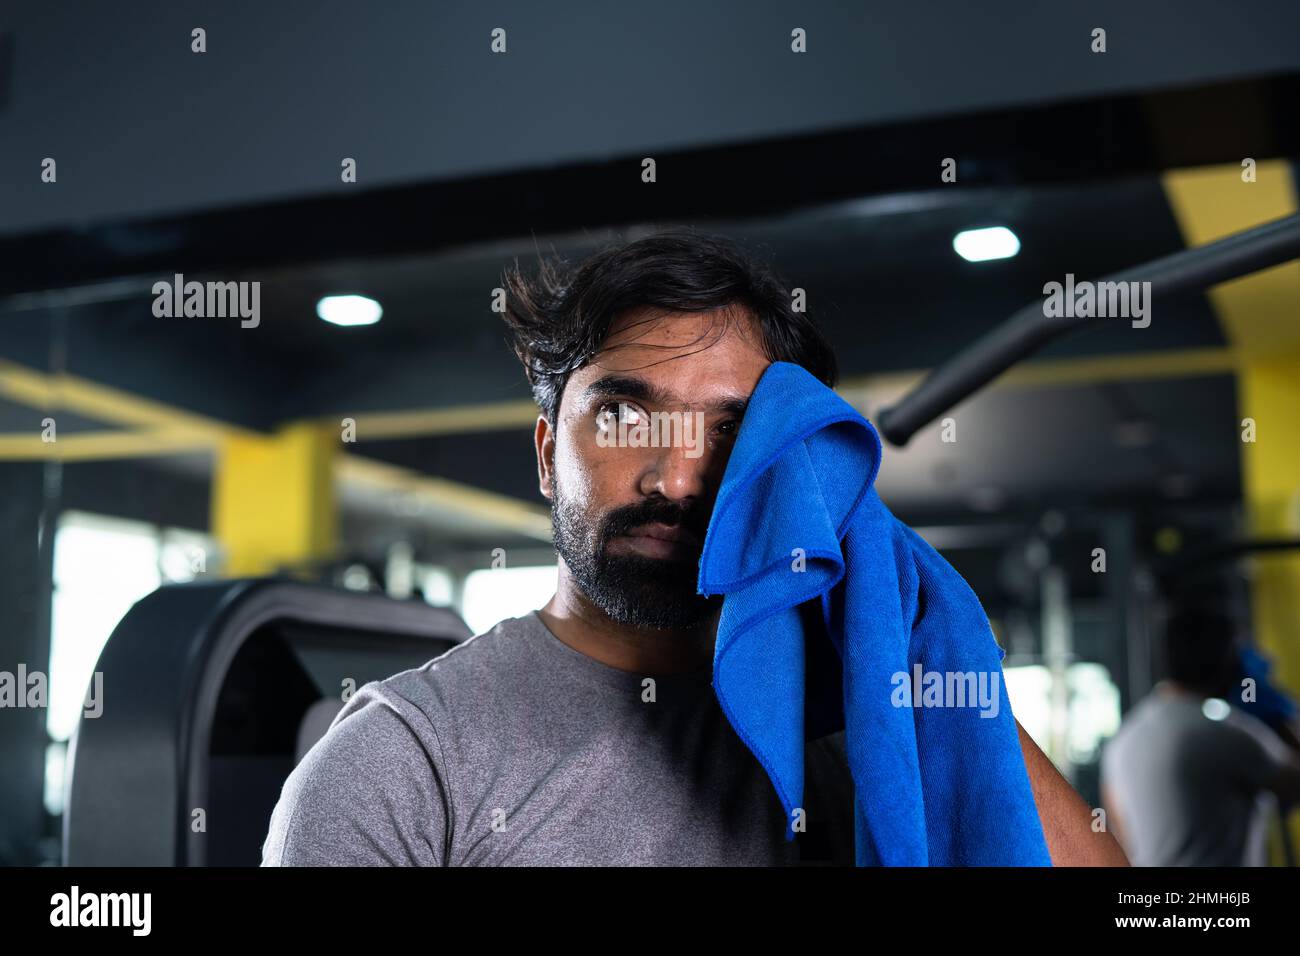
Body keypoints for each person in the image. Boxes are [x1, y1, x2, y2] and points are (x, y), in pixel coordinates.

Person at [262, 231, 1125, 865]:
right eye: (624, 415)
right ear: (545, 455)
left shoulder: (848, 723)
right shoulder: (402, 764)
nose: (676, 478)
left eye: (731, 433)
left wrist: (893, 613)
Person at [1102, 605, 1300, 865]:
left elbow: (1120, 837)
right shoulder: (1226, 732)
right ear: (1227, 659)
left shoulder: (1124, 740)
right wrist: (1281, 718)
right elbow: (1293, 785)